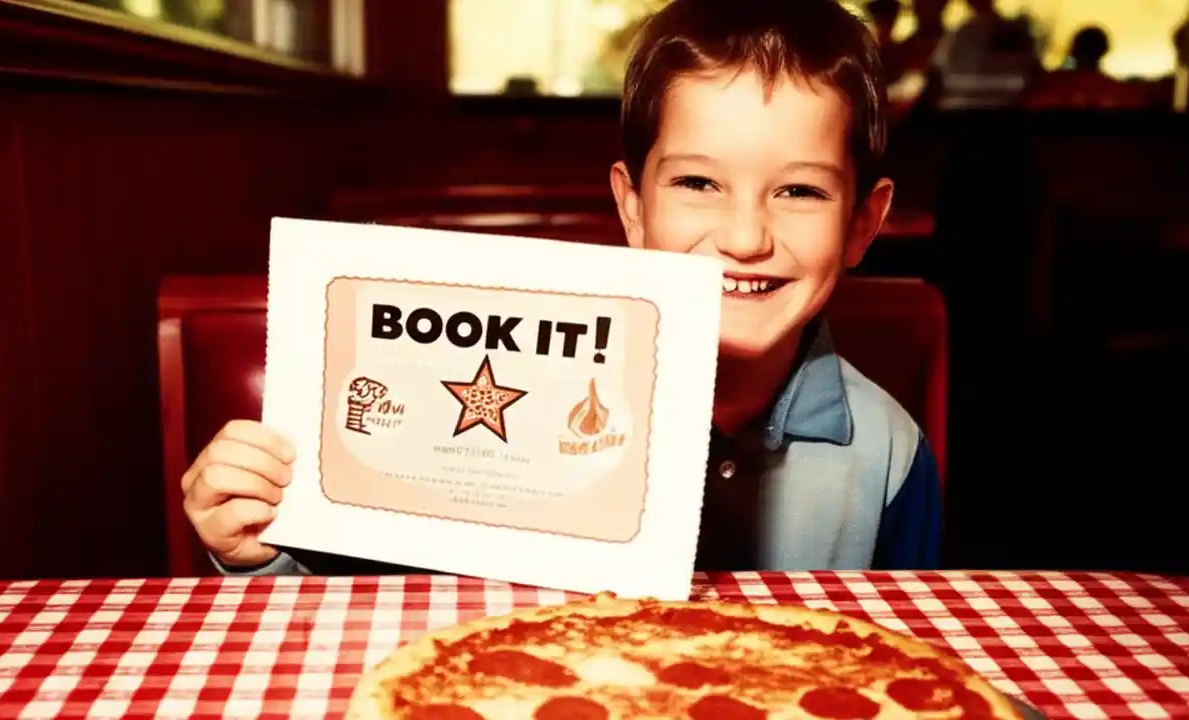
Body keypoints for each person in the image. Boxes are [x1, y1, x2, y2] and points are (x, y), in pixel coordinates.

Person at [184, 0, 943, 577]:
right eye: (698, 183)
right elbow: (375, 611)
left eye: (800, 191)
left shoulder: (890, 452)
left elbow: (907, 652)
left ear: (863, 223)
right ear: (633, 207)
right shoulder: (512, 394)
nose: (746, 236)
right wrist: (259, 550)